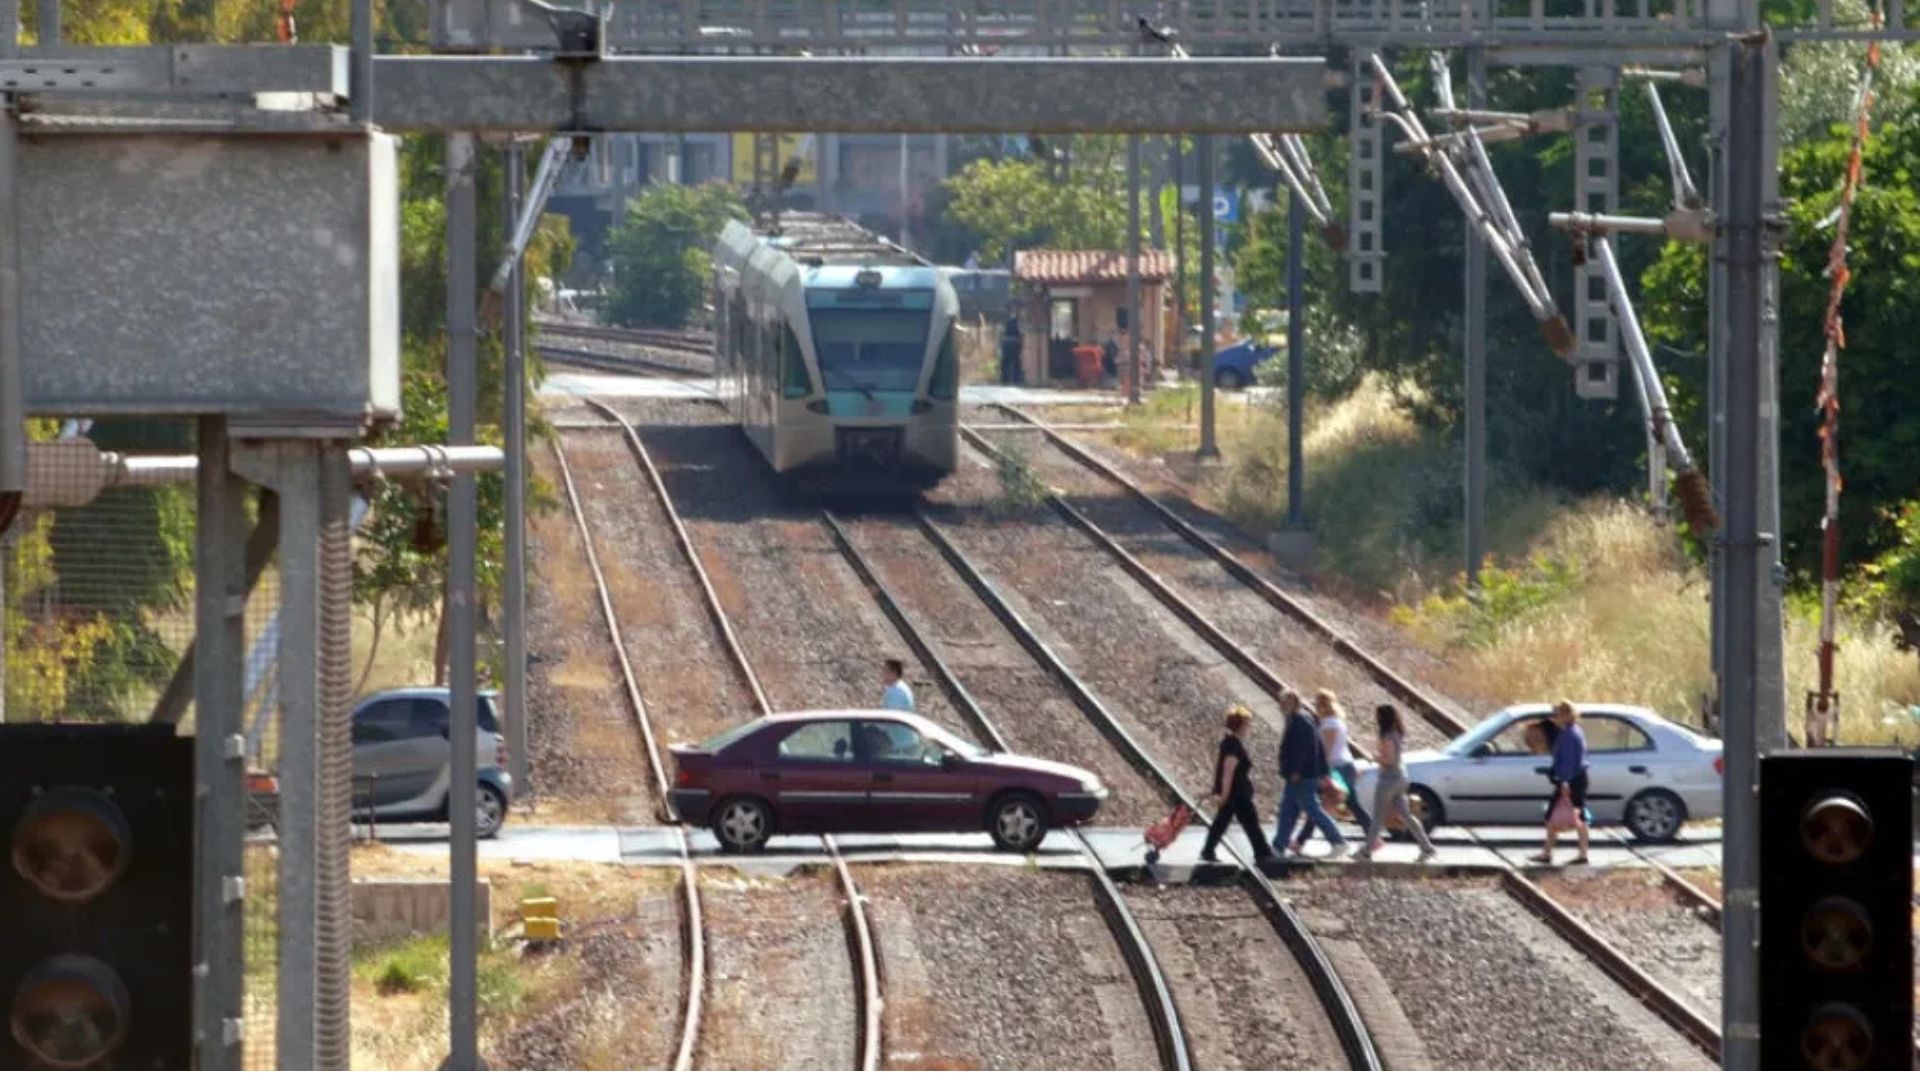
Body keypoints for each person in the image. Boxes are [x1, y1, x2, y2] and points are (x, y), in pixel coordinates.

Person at [1355, 704, 1437, 862]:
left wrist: (1374, 757)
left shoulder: (1387, 736)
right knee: (1406, 815)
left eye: (1377, 716)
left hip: (1388, 779)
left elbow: (1389, 759)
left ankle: (1366, 851)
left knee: (1378, 817)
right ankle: (1427, 847)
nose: (1375, 718)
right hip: (1400, 778)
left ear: (1382, 718)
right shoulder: (1397, 733)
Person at [1292, 690, 1371, 847]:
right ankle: (1372, 837)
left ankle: (1302, 841)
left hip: (1337, 769)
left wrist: (1321, 771)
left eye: (1317, 705)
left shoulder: (1329, 724)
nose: (1315, 709)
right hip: (1346, 766)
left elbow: (1327, 752)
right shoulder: (1337, 721)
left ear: (1322, 706)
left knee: (1318, 805)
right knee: (1350, 804)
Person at [1274, 690, 1347, 858]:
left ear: (1293, 703)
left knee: (1313, 810)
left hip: (1302, 776)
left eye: (1284, 703)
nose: (1280, 706)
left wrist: (1297, 770)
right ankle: (1278, 847)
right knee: (1287, 811)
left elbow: (1303, 750)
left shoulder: (1301, 721)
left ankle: (1338, 842)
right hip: (1297, 776)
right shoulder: (1298, 720)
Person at [1200, 705, 1274, 864]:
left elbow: (1218, 767)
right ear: (1240, 725)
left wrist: (1216, 788)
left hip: (1234, 792)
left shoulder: (1228, 742)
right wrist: (1224, 794)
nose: (1249, 727)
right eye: (1247, 724)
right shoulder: (1233, 745)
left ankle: (1208, 850)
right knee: (1250, 820)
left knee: (1222, 821)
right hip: (1237, 793)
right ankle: (1263, 852)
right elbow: (1228, 770)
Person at [1534, 700, 1591, 865]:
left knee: (1575, 817)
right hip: (1576, 779)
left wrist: (1564, 782)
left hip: (1571, 781)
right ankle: (1549, 852)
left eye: (1557, 714)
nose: (1555, 717)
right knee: (1559, 816)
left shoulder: (1569, 735)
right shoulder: (1574, 731)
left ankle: (1579, 854)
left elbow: (1568, 761)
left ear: (1566, 715)